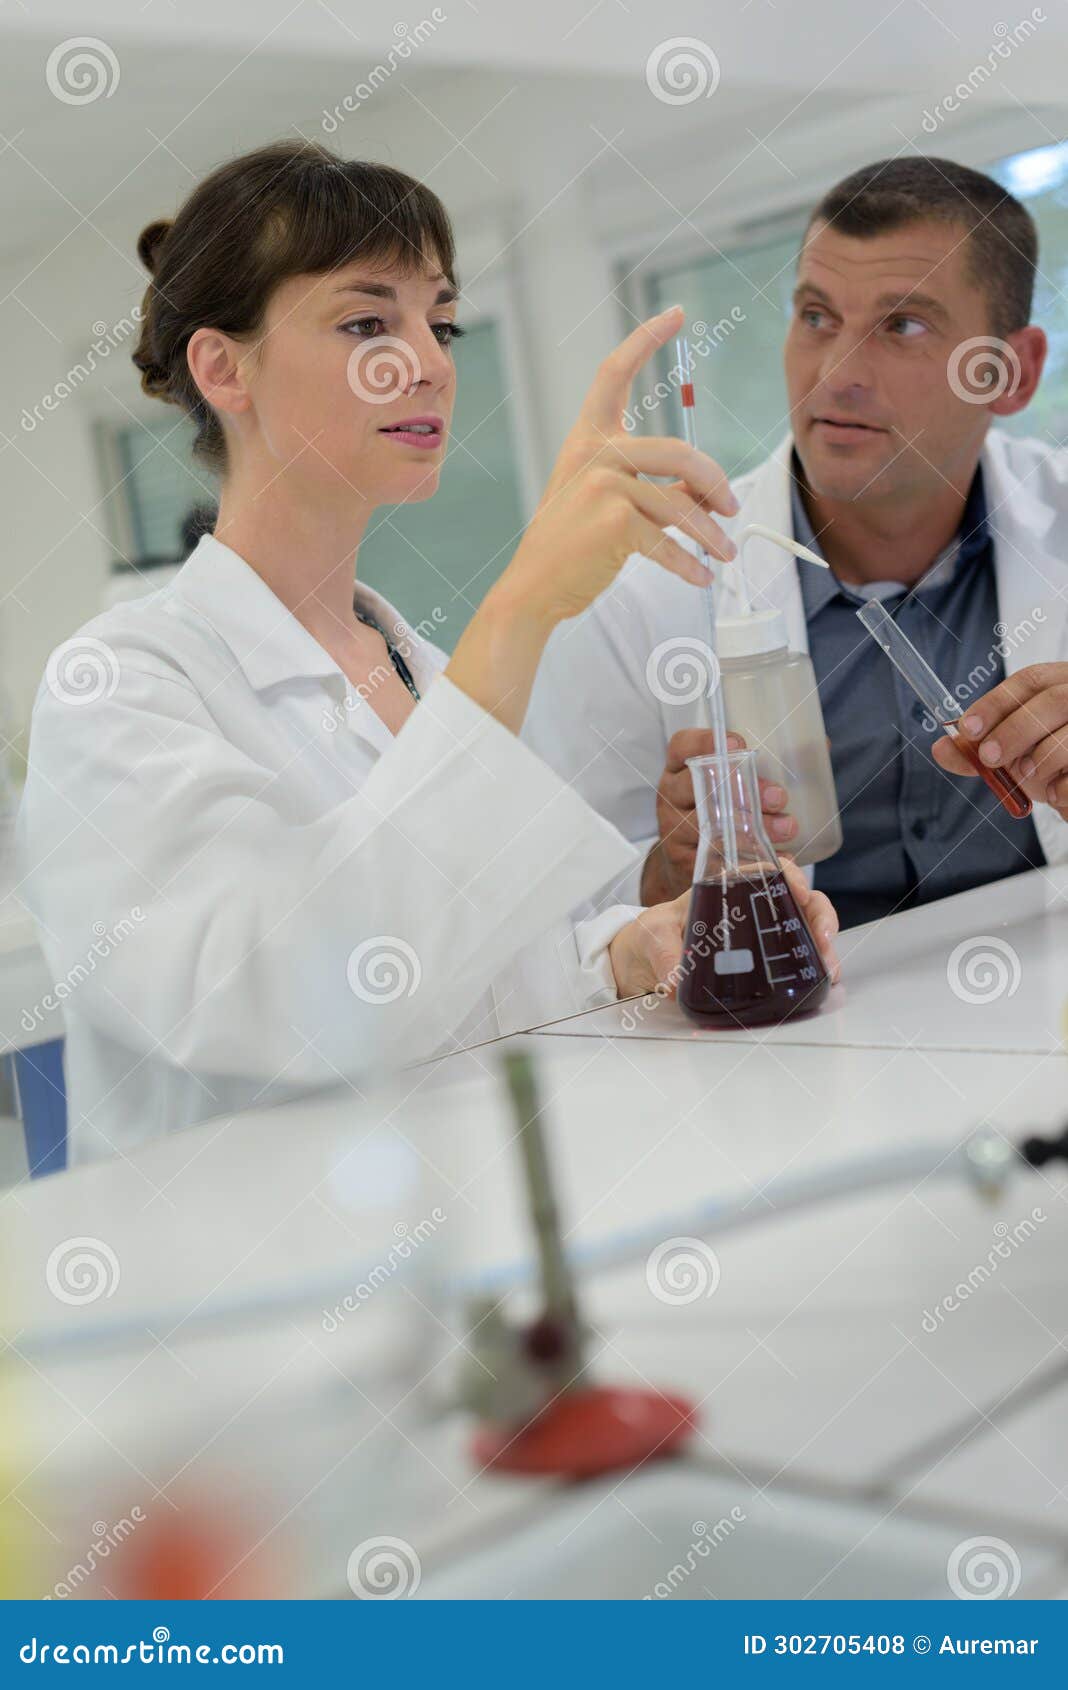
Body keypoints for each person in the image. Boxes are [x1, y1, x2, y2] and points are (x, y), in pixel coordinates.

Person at [16, 141, 839, 1165]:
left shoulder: (420, 669)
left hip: (480, 1244)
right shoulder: (122, 689)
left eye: (439, 322)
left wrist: (626, 953)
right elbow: (298, 998)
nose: (433, 361)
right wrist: (524, 605)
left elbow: (472, 968)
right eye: (368, 322)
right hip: (256, 1295)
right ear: (224, 367)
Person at [525, 157, 1068, 929]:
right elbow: (548, 917)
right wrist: (667, 872)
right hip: (798, 1040)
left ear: (1010, 374)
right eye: (816, 317)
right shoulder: (642, 588)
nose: (836, 373)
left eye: (902, 326)